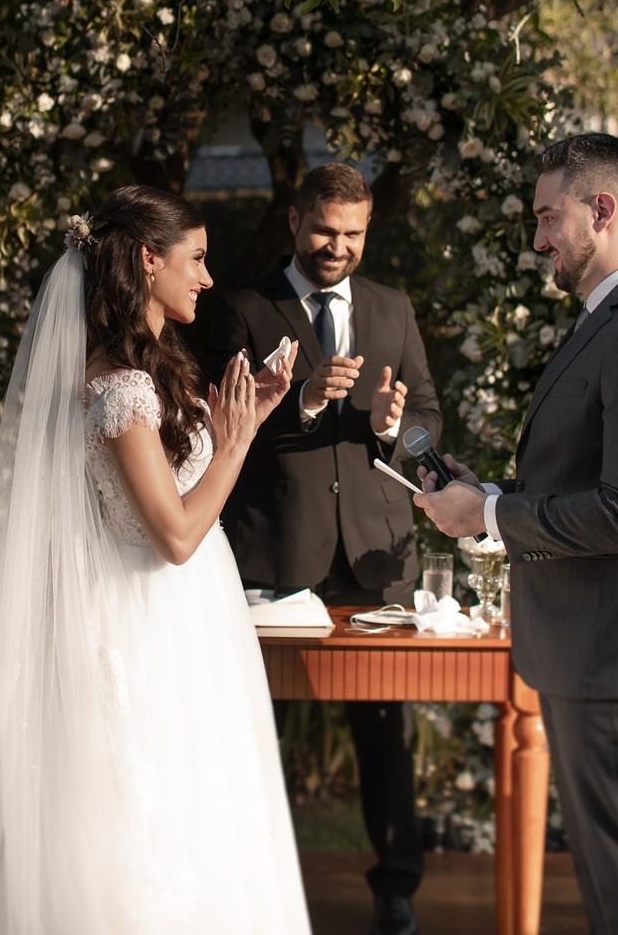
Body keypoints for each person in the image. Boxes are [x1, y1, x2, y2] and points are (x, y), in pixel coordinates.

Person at [0, 185, 312, 935]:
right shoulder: (120, 387)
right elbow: (176, 537)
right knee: (143, 812)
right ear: (149, 262)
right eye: (197, 259)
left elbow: (184, 490)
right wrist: (240, 443)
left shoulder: (150, 371)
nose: (208, 278)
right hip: (148, 619)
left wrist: (244, 416)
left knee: (201, 804)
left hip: (187, 623)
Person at [415, 134, 618, 935]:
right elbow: (586, 479)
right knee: (614, 890)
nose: (538, 238)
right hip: (592, 653)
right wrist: (487, 494)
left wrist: (485, 518)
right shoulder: (614, 318)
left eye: (549, 217)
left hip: (615, 655)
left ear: (604, 210)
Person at [209, 162, 442, 935]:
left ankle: (396, 889)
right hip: (275, 556)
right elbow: (218, 429)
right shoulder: (241, 309)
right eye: (323, 231)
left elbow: (427, 422)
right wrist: (304, 404)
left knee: (385, 736)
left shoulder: (393, 308)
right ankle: (244, 889)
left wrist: (387, 428)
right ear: (294, 220)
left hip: (377, 561)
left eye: (353, 234)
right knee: (255, 733)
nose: (337, 247)